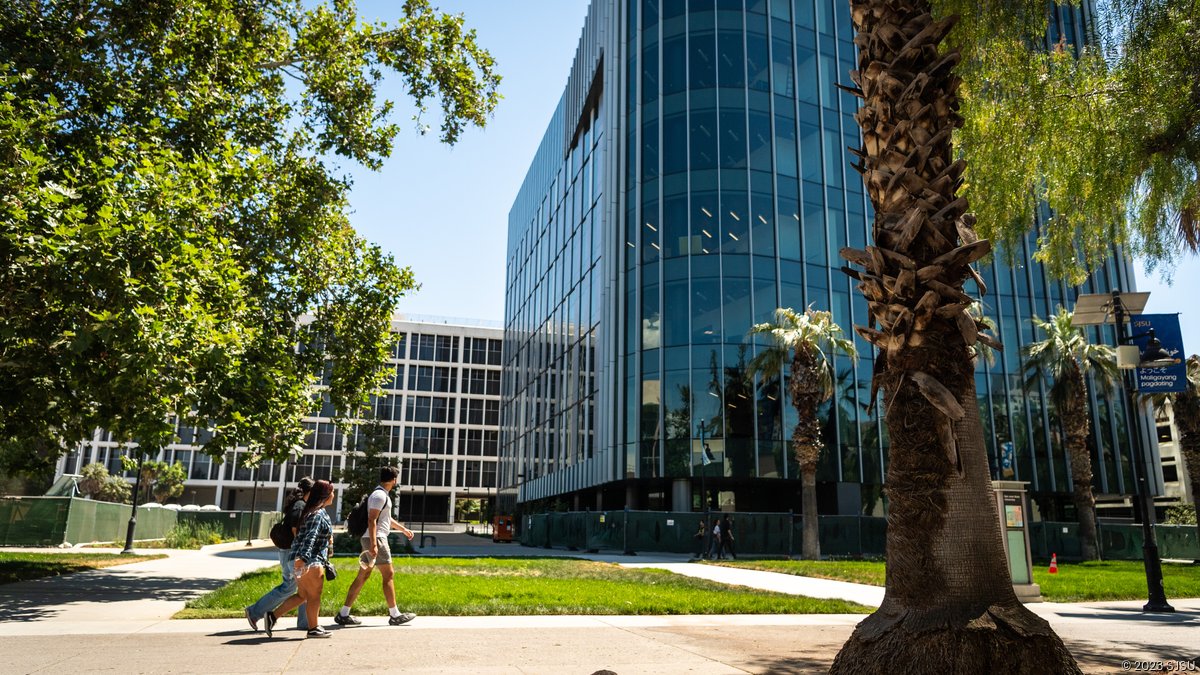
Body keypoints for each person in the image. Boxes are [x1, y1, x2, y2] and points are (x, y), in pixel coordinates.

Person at [334, 466, 417, 627]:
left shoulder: (380, 495)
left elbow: (385, 518)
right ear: (394, 480)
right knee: (389, 574)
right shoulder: (379, 495)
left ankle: (343, 614)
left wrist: (403, 530)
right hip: (376, 538)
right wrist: (374, 544)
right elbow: (372, 520)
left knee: (363, 576)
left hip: (372, 538)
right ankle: (395, 614)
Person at [269, 479, 335, 638]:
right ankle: (313, 629)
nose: (334, 494)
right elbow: (309, 538)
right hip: (309, 560)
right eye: (332, 491)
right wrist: (303, 559)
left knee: (303, 596)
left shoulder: (315, 511)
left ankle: (272, 617)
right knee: (314, 595)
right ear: (325, 495)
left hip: (303, 559)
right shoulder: (317, 514)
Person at [245, 477, 312, 632]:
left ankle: (306, 621)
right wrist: (301, 554)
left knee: (299, 587)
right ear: (310, 491)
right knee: (296, 587)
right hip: (292, 552)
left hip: (287, 550)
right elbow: (296, 530)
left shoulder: (296, 504)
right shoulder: (300, 505)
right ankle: (254, 612)